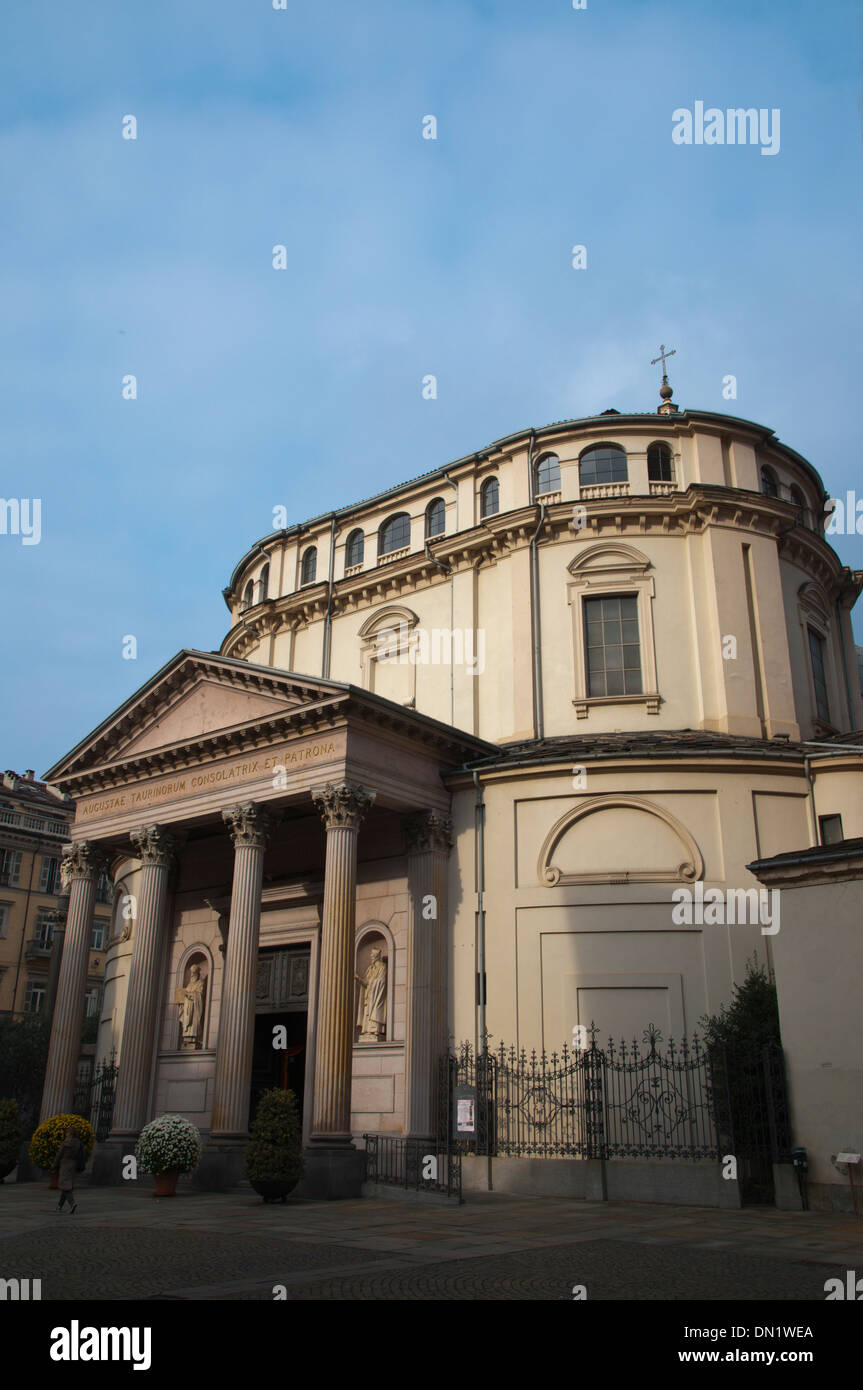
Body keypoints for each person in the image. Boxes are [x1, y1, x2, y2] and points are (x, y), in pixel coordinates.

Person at [53, 1126, 81, 1214]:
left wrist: (55, 1165)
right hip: (73, 1164)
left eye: (67, 1132)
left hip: (65, 1163)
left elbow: (59, 1154)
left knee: (65, 1185)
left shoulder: (66, 1143)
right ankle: (59, 1206)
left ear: (70, 1134)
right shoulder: (78, 1143)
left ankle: (72, 1203)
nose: (66, 1134)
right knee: (66, 1184)